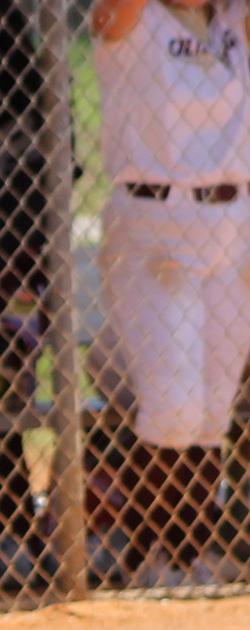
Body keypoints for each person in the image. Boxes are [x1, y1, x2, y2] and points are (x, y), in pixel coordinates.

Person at [91, 0, 250, 585]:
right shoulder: (137, 19)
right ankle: (146, 554)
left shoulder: (232, 23)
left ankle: (188, 555)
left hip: (234, 226)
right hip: (155, 224)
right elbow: (111, 17)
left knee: (211, 413)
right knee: (173, 407)